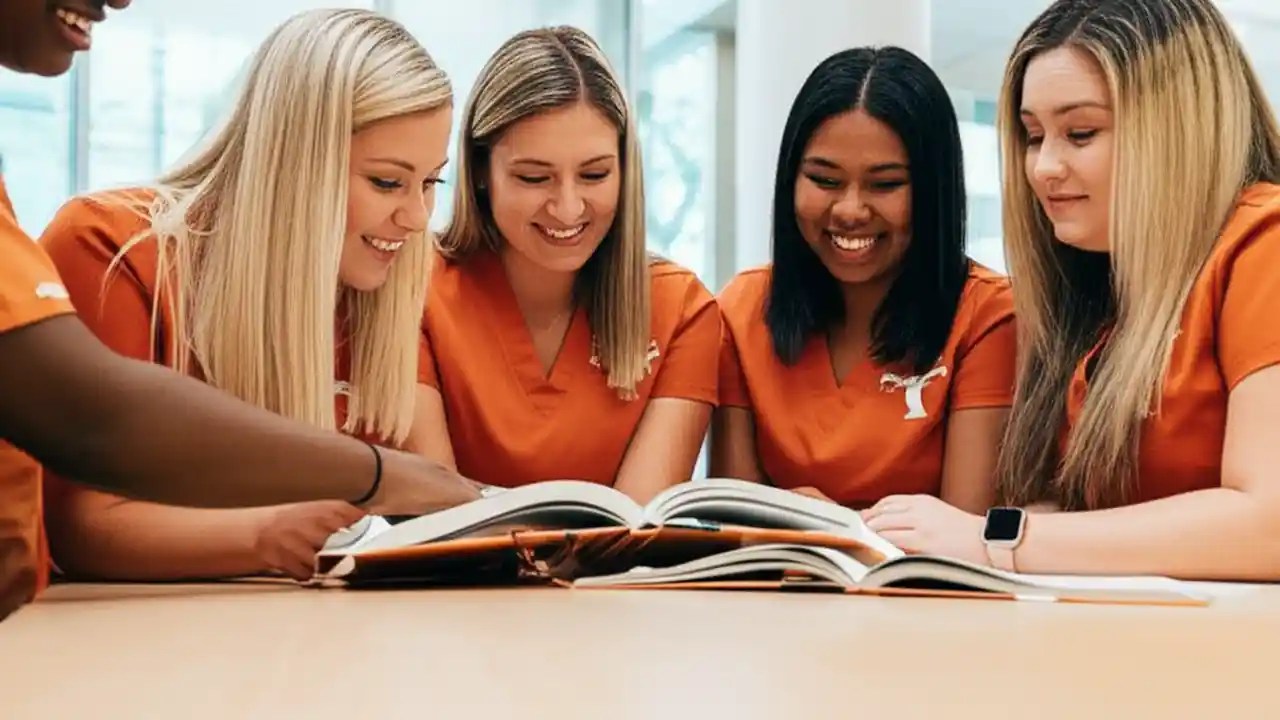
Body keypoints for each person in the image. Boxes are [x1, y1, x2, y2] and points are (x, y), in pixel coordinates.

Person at [0, 0, 477, 620]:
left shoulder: (378, 287)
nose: (417, 218)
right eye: (387, 183)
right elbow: (83, 494)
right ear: (295, 167)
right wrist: (271, 531)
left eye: (431, 182)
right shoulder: (112, 247)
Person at [860, 0, 1280, 581]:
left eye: (1080, 133)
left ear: (1180, 129)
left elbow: (1269, 525)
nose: (1043, 168)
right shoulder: (1095, 286)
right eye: (1034, 136)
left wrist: (998, 537)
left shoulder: (1265, 242)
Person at [422, 26, 721, 504]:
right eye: (534, 177)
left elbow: (634, 529)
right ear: (479, 171)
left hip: (605, 580)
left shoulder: (682, 310)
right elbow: (432, 516)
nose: (567, 207)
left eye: (594, 174)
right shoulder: (417, 288)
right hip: (455, 578)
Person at [710, 46, 1015, 514]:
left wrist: (821, 519)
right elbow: (734, 522)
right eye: (824, 180)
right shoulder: (743, 308)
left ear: (934, 190)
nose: (850, 210)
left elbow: (965, 531)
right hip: (777, 585)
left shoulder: (989, 316)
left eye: (885, 184)